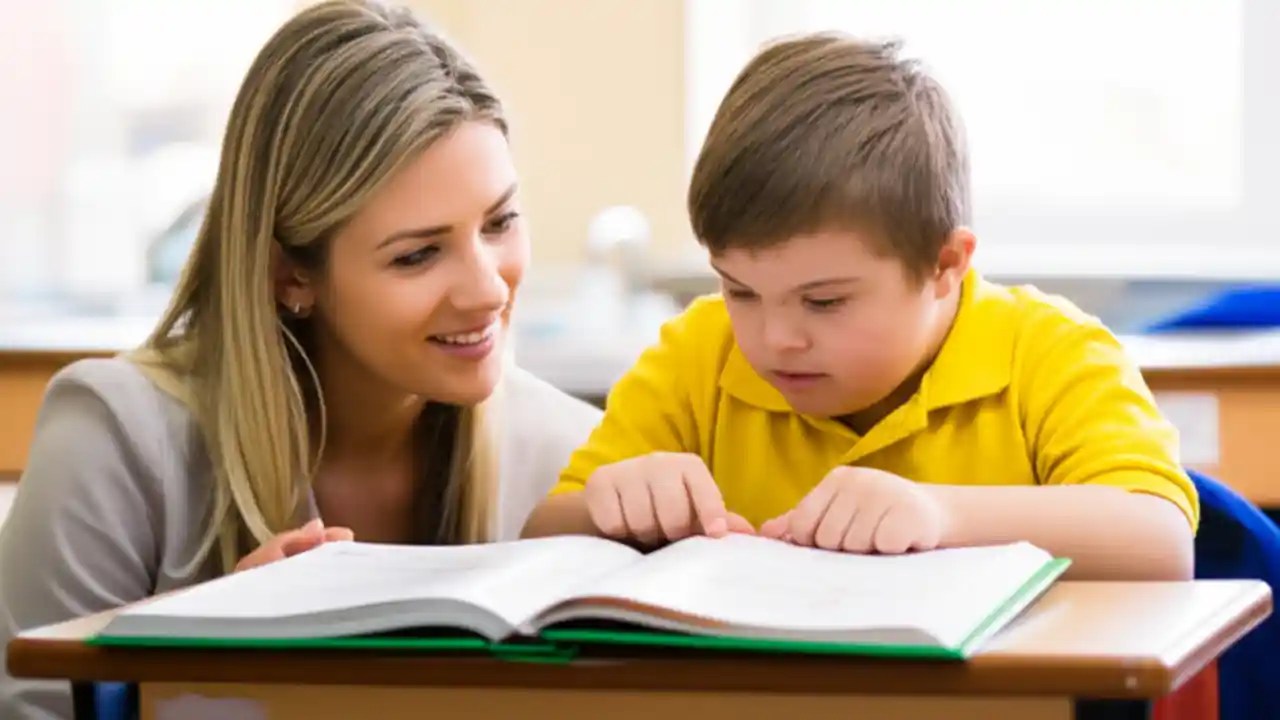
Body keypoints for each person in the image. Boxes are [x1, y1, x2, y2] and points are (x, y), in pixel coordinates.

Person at [0, 2, 600, 717]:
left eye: (500, 222)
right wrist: (198, 663)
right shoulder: (117, 441)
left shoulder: (569, 462)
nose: (486, 288)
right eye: (417, 254)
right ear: (290, 278)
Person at [522, 33, 1197, 581]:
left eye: (824, 301)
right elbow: (541, 534)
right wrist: (612, 508)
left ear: (945, 266)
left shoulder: (1050, 352)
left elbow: (1160, 542)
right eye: (739, 290)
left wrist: (942, 515)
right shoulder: (700, 352)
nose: (775, 337)